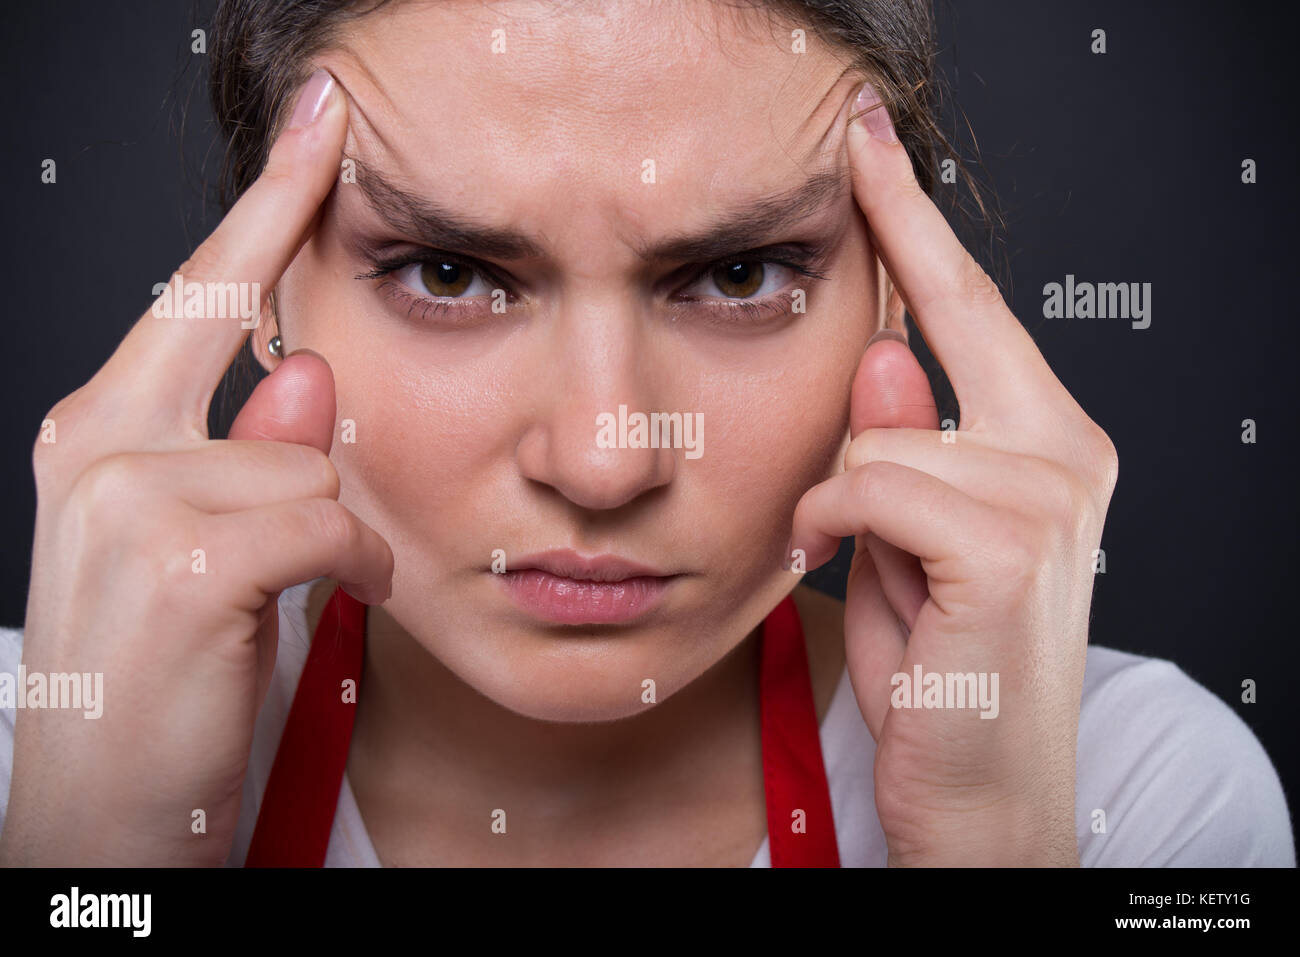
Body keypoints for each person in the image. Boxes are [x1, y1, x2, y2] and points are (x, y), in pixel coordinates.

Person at [0, 0, 1292, 867]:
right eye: (449, 273)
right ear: (264, 289)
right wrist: (91, 862)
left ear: (899, 287)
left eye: (737, 276)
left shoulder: (1137, 791)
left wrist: (992, 843)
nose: (605, 459)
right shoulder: (28, 752)